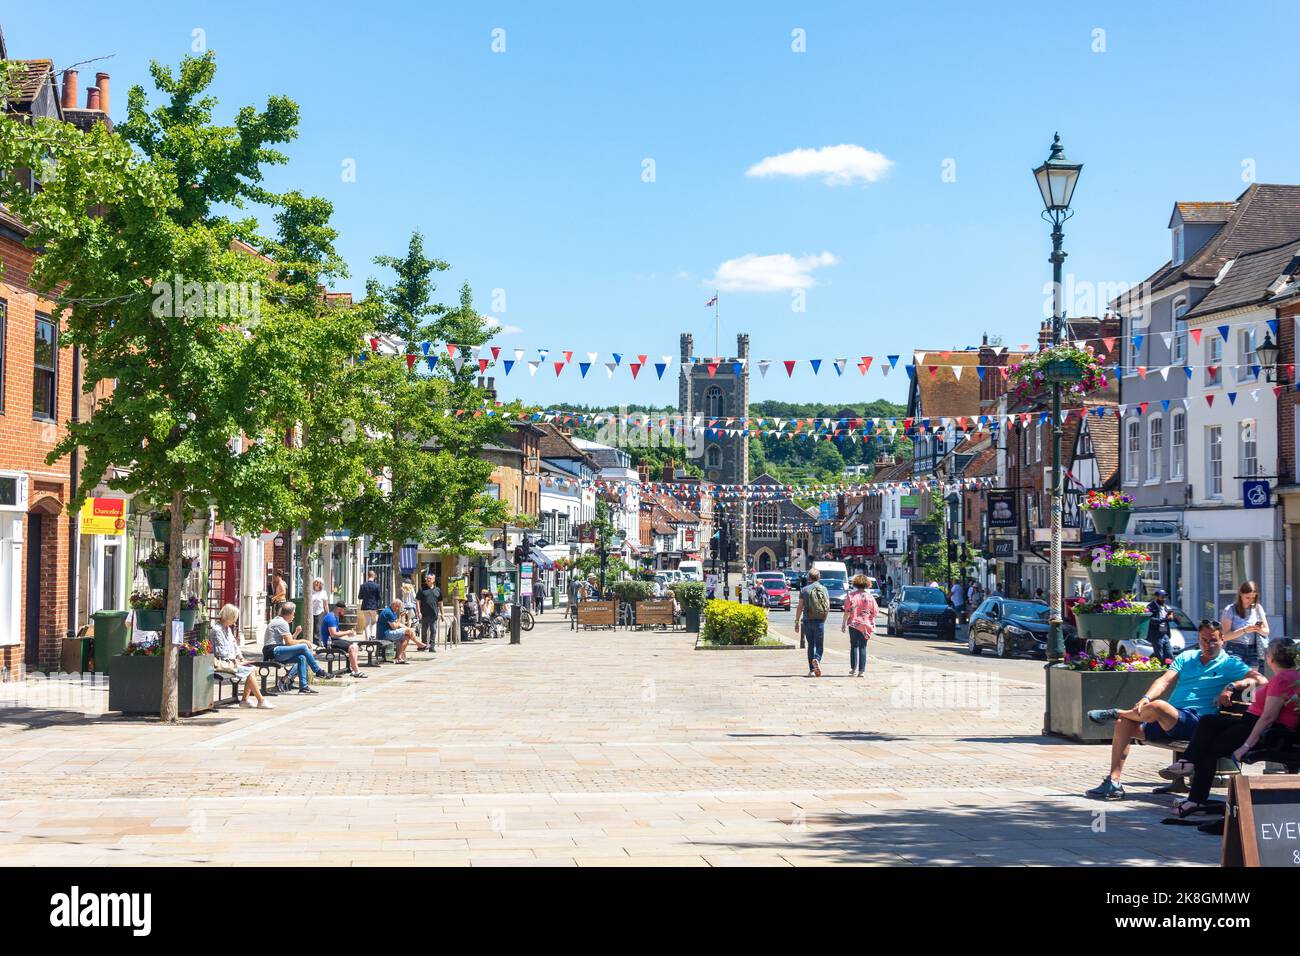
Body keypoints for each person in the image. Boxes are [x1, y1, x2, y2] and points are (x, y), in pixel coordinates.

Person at [1083, 621, 1264, 800]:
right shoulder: (1187, 657)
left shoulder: (1230, 664)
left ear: (1222, 640)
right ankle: (1113, 782)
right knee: (1126, 723)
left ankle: (1117, 712)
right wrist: (1146, 698)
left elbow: (1261, 680)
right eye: (1204, 640)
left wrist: (1233, 685)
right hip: (1170, 719)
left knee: (1159, 706)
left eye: (1213, 640)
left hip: (1197, 723)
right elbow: (1164, 680)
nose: (1208, 645)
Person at [1169, 638, 1300, 817]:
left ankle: (1195, 799)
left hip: (1264, 731)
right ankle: (1187, 763)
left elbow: (1268, 717)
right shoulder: (1291, 675)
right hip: (1252, 724)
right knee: (1208, 721)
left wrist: (1245, 747)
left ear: (1270, 658)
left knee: (1208, 750)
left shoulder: (1283, 679)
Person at [211, 604, 273, 709]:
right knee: (250, 671)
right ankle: (260, 700)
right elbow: (220, 652)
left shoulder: (227, 629)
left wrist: (240, 657)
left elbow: (234, 645)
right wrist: (236, 661)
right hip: (223, 663)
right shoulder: (217, 630)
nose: (236, 620)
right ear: (229, 616)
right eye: (234, 617)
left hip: (232, 661)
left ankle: (245, 700)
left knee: (252, 669)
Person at [262, 601, 332, 695]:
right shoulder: (282, 623)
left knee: (302, 658)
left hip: (277, 650)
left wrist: (296, 634)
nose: (294, 616)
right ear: (289, 613)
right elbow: (289, 643)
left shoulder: (278, 620)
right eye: (293, 614)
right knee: (303, 647)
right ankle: (318, 671)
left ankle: (303, 687)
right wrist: (304, 641)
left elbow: (288, 642)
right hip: (273, 651)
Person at [1221, 580, 1268, 666]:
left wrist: (1258, 629)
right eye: (1247, 597)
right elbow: (1224, 637)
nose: (1250, 601)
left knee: (1253, 678)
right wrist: (1244, 630)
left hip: (1253, 649)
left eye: (1253, 598)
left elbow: (1266, 631)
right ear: (1240, 594)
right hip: (1234, 648)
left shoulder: (1258, 608)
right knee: (1237, 676)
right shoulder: (1230, 609)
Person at [794, 568, 830, 677]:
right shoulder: (824, 589)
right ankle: (817, 659)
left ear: (809, 578)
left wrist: (796, 622)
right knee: (819, 645)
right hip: (820, 619)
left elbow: (800, 607)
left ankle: (811, 669)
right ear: (819, 577)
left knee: (811, 644)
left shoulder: (804, 590)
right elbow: (828, 606)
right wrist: (824, 618)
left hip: (807, 620)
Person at [318, 601, 368, 678]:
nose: (345, 612)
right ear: (339, 609)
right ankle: (356, 671)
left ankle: (353, 669)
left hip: (334, 640)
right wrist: (347, 632)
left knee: (355, 645)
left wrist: (348, 633)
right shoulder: (331, 618)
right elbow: (333, 634)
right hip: (329, 642)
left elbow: (337, 632)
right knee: (352, 647)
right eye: (344, 610)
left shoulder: (335, 616)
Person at [841, 573, 878, 677]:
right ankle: (862, 670)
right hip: (866, 625)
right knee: (863, 647)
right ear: (867, 584)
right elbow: (875, 611)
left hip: (853, 623)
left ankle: (853, 668)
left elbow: (847, 611)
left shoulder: (851, 596)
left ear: (856, 584)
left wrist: (844, 623)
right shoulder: (870, 597)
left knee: (853, 645)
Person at [377, 598, 420, 662]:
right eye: (397, 607)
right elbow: (395, 627)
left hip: (389, 632)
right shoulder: (388, 612)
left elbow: (398, 624)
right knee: (408, 632)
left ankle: (399, 658)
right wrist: (400, 617)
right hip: (385, 634)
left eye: (398, 607)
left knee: (407, 637)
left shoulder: (392, 611)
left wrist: (407, 628)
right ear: (393, 605)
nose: (397, 609)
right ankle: (419, 644)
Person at [416, 573, 442, 652]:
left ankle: (432, 646)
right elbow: (417, 601)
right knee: (424, 631)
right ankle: (423, 645)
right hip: (424, 614)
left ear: (433, 580)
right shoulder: (422, 589)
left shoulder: (438, 590)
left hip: (434, 614)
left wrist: (443, 614)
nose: (427, 580)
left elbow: (440, 602)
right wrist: (418, 612)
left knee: (433, 630)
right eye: (427, 578)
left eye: (429, 578)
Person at [1146, 588, 1173, 662]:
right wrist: (1165, 619)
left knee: (1169, 655)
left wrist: (1171, 615)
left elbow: (1170, 612)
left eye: (1165, 597)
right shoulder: (1151, 607)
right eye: (1162, 597)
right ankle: (1157, 669)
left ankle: (1167, 669)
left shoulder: (1165, 606)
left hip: (1165, 634)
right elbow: (1150, 620)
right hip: (1156, 635)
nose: (1164, 599)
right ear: (1157, 597)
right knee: (1159, 656)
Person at [358, 571, 383, 639]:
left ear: (368, 576)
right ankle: (373, 635)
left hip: (365, 606)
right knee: (374, 622)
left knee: (366, 623)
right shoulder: (376, 586)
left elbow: (360, 597)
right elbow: (379, 597)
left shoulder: (363, 586)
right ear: (374, 576)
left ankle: (367, 638)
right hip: (373, 606)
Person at [309, 577, 328, 642]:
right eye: (316, 582)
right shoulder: (310, 592)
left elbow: (325, 604)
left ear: (321, 584)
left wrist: (327, 613)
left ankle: (317, 642)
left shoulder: (323, 592)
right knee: (312, 628)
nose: (317, 583)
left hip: (319, 612)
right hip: (311, 612)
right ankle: (312, 641)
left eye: (319, 582)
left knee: (317, 628)